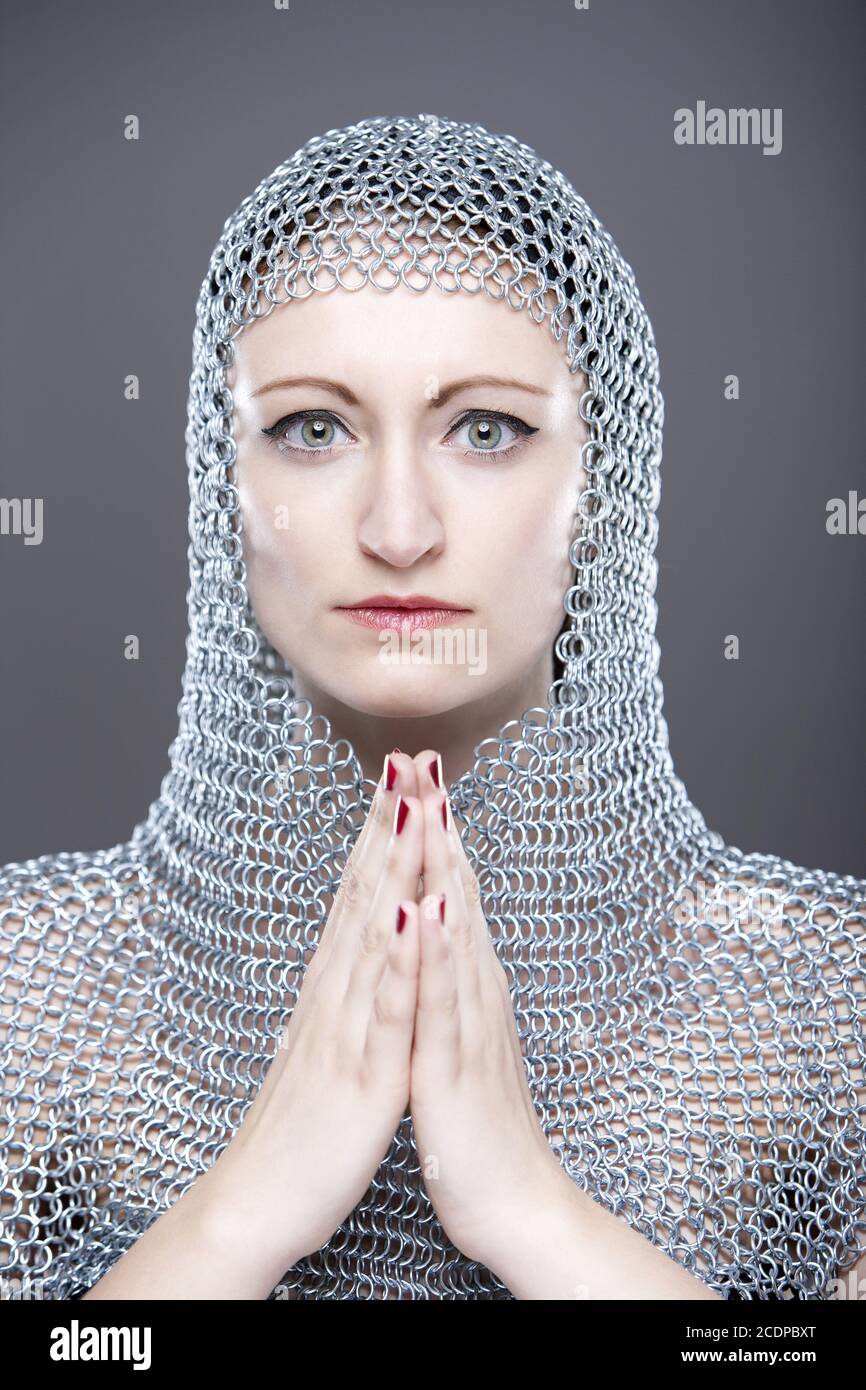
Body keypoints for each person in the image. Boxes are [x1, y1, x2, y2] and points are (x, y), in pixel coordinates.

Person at [1, 113, 863, 1302]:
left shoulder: (822, 1009)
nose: (397, 530)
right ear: (223, 489)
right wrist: (240, 1213)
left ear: (598, 490)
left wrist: (534, 1214)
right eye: (313, 429)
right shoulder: (34, 996)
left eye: (485, 430)